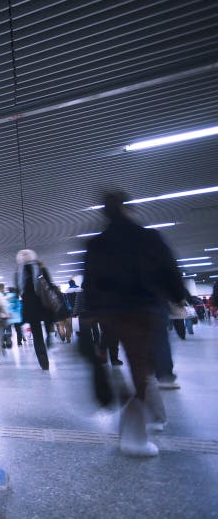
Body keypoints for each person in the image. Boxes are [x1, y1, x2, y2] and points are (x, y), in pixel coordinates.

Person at [83, 190, 187, 457]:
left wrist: (91, 314)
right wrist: (178, 297)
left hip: (111, 313)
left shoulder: (96, 244)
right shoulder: (148, 237)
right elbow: (169, 270)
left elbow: (89, 282)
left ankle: (131, 410)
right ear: (127, 208)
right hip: (144, 310)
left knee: (115, 362)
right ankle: (137, 434)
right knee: (142, 370)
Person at [15, 249, 52, 370]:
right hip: (44, 305)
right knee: (47, 326)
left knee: (37, 335)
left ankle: (44, 362)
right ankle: (50, 337)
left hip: (30, 308)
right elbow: (49, 286)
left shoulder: (18, 273)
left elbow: (18, 291)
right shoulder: (41, 269)